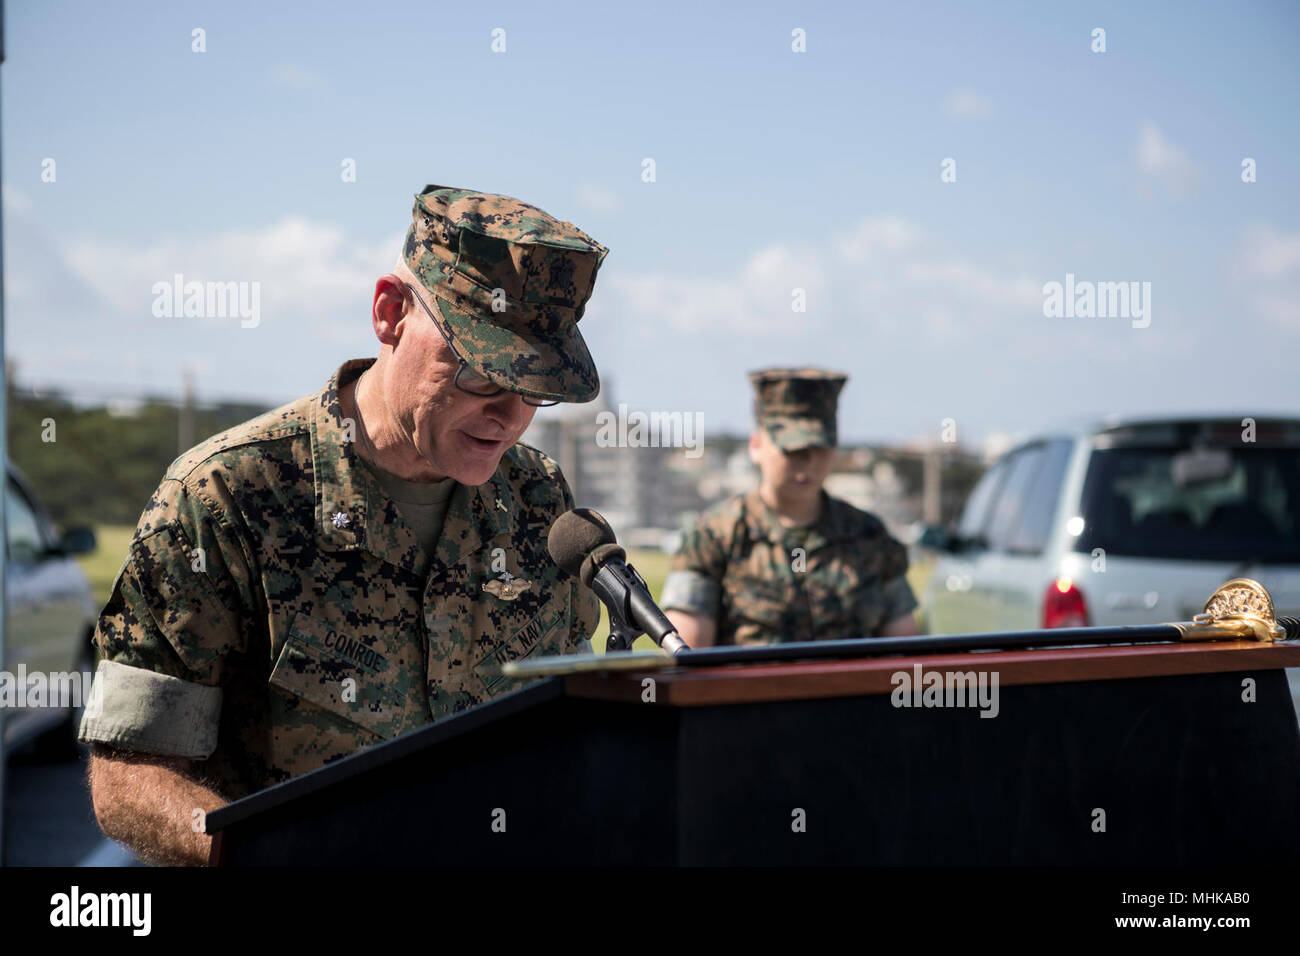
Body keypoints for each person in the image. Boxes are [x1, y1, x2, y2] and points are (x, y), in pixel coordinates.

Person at [79, 185, 608, 865]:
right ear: (390, 314)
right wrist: (262, 854)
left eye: (534, 387)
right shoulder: (226, 496)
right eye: (481, 373)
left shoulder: (539, 500)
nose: (508, 417)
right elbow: (130, 774)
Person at [661, 368, 919, 647]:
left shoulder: (870, 537)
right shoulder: (714, 538)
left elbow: (904, 654)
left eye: (820, 448)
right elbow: (686, 660)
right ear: (756, 446)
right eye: (793, 449)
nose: (808, 462)